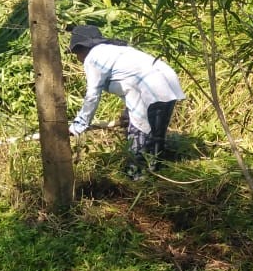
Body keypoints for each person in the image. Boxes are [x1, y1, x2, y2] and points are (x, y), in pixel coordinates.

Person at [67, 24, 185, 179]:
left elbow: (92, 95)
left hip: (151, 88)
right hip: (167, 83)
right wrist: (127, 113)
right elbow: (130, 82)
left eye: (76, 54)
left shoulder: (93, 58)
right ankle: (154, 176)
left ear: (81, 48)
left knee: (140, 136)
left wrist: (79, 125)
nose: (77, 59)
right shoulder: (116, 51)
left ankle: (136, 179)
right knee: (156, 137)